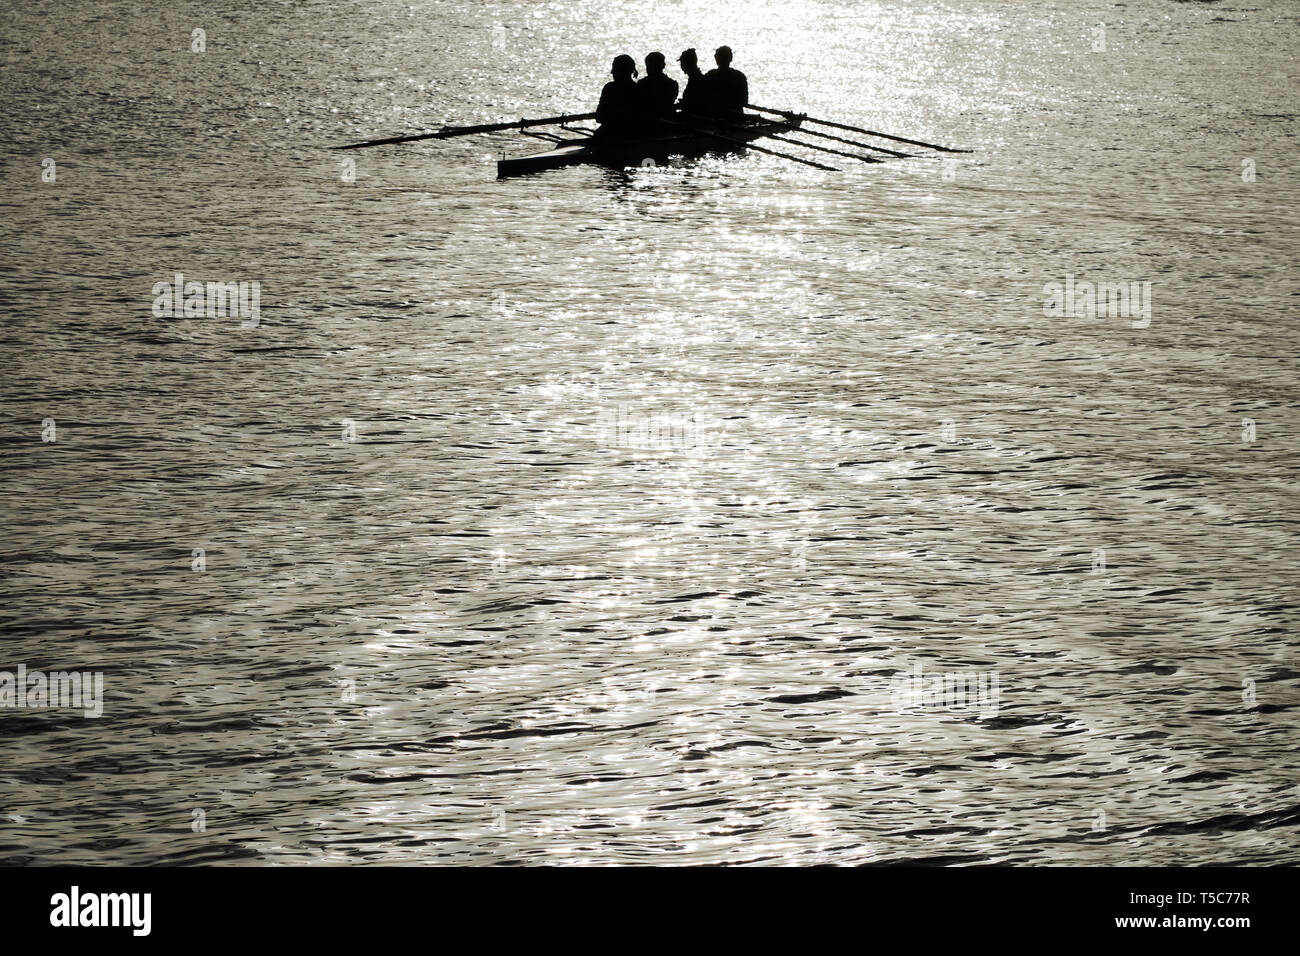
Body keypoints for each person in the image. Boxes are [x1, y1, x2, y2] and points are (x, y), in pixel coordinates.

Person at [595, 54, 642, 138]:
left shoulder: (609, 88)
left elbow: (599, 117)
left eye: (615, 68)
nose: (611, 72)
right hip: (634, 134)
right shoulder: (638, 88)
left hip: (612, 134)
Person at [703, 45, 748, 121]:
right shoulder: (739, 76)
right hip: (735, 117)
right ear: (730, 59)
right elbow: (744, 101)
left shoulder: (710, 75)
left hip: (716, 117)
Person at [637, 51, 679, 122]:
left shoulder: (642, 84)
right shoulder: (673, 84)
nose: (648, 68)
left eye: (649, 66)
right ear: (663, 65)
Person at [675, 48, 710, 117]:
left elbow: (696, 104)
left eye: (682, 63)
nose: (681, 66)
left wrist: (683, 104)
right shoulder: (698, 78)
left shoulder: (696, 80)